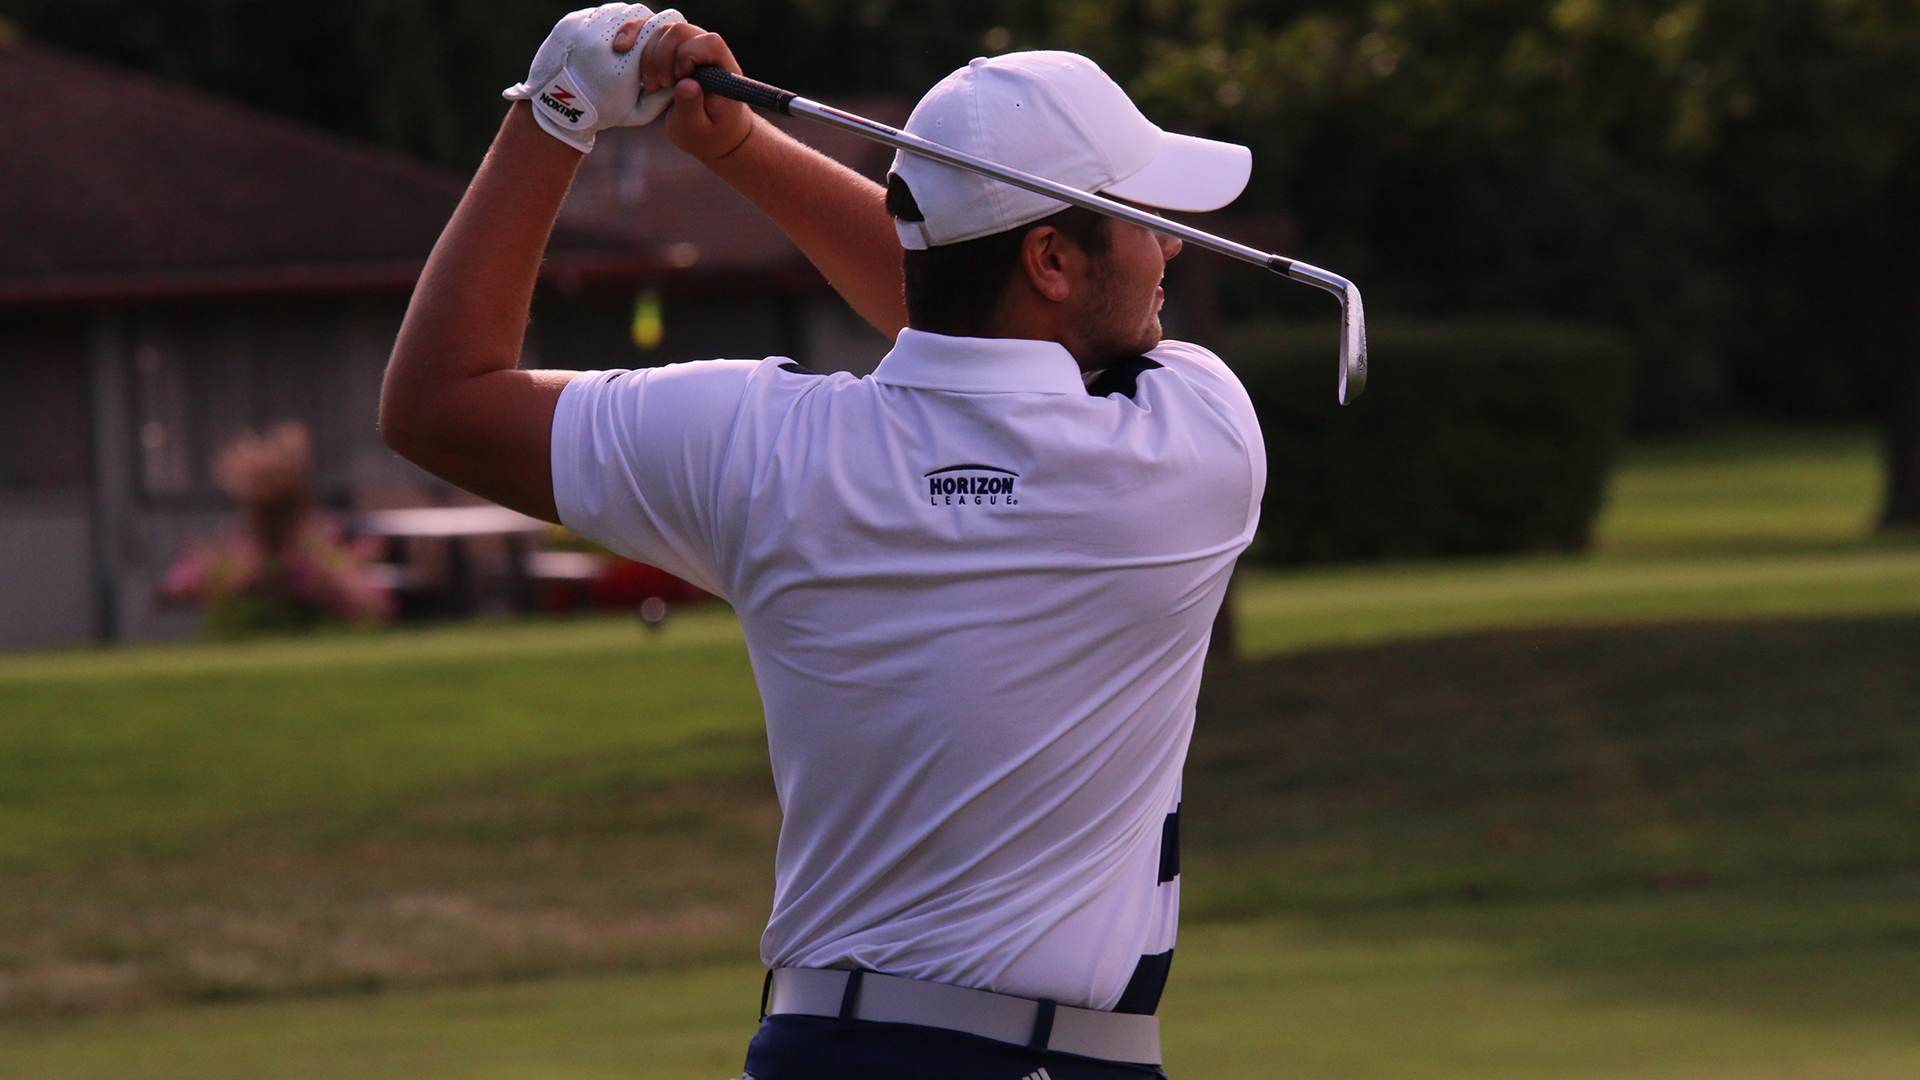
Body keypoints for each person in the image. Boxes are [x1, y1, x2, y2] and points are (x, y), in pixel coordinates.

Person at [380, 6, 1264, 1078]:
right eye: (1137, 215)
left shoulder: (762, 446)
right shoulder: (1195, 441)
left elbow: (437, 402)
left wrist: (555, 111)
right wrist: (744, 151)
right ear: (1051, 258)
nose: (1169, 242)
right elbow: (949, 323)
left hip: (813, 1051)